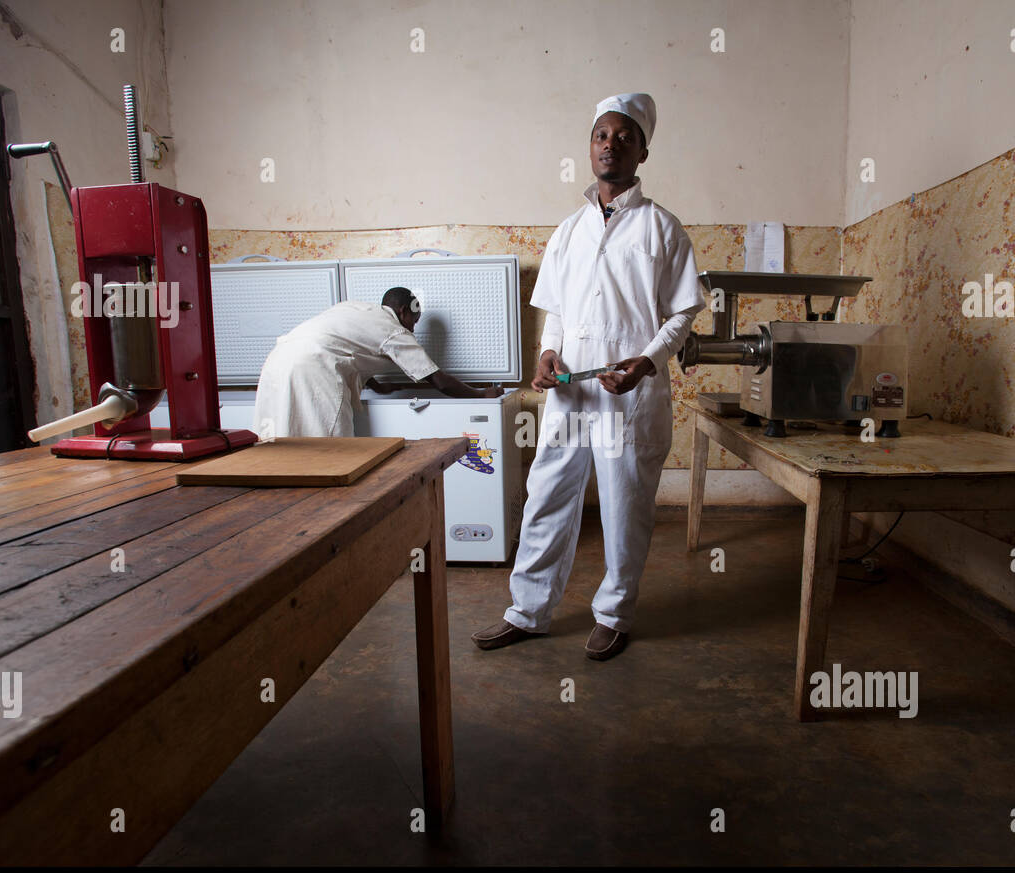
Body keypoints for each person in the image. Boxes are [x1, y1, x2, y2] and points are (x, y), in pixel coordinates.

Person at [471, 93, 704, 661]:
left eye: (624, 136)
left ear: (642, 151)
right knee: (546, 495)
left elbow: (683, 312)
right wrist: (547, 352)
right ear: (590, 147)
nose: (610, 145)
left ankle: (615, 614)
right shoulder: (570, 230)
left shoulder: (661, 228)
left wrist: (647, 361)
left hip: (628, 395)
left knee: (625, 505)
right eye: (601, 135)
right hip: (573, 391)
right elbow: (556, 308)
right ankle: (527, 612)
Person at [253, 287, 501, 438]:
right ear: (403, 311)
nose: (413, 328)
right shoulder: (393, 330)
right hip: (314, 370)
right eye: (414, 321)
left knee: (283, 438)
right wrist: (481, 394)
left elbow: (345, 347)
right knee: (327, 448)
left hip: (277, 361)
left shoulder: (354, 308)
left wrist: (377, 385)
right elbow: (439, 381)